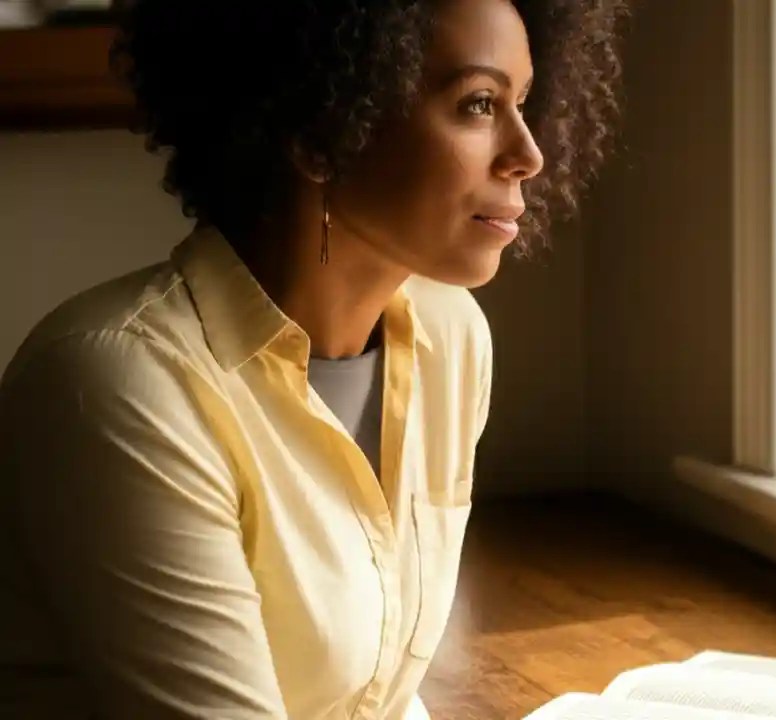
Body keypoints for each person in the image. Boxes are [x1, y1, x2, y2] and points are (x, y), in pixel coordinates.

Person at [0, 0, 628, 717]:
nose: (529, 153)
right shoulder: (118, 388)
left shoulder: (449, 338)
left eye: (522, 100)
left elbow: (378, 700)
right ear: (320, 129)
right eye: (479, 104)